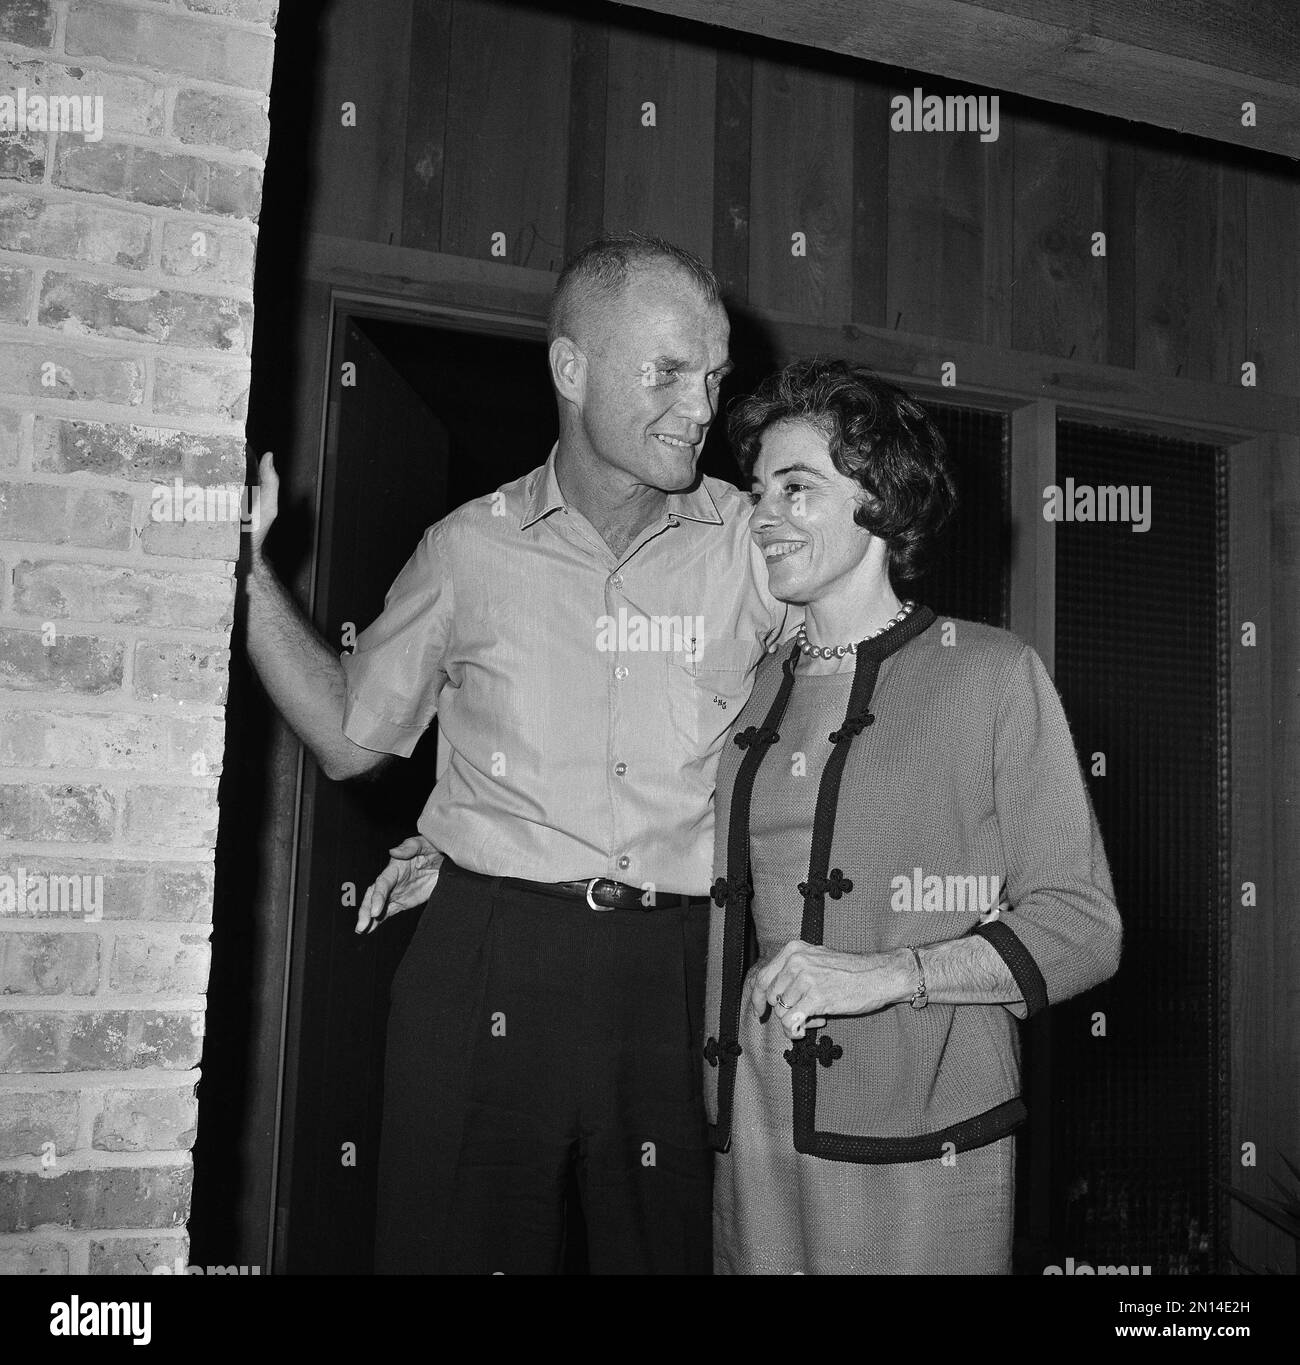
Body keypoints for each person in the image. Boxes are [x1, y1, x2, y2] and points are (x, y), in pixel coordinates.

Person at [246, 233, 792, 1274]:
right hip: (491, 946)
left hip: (684, 971)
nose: (699, 408)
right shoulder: (467, 550)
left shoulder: (754, 545)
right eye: (667, 371)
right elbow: (353, 741)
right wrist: (252, 580)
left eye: (715, 377)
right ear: (570, 368)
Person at [702, 358, 1122, 1274]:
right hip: (756, 1116)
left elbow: (1084, 928)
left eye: (798, 487)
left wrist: (891, 972)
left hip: (923, 1124)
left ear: (881, 500)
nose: (763, 514)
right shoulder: (758, 683)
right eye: (758, 490)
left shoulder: (990, 674)